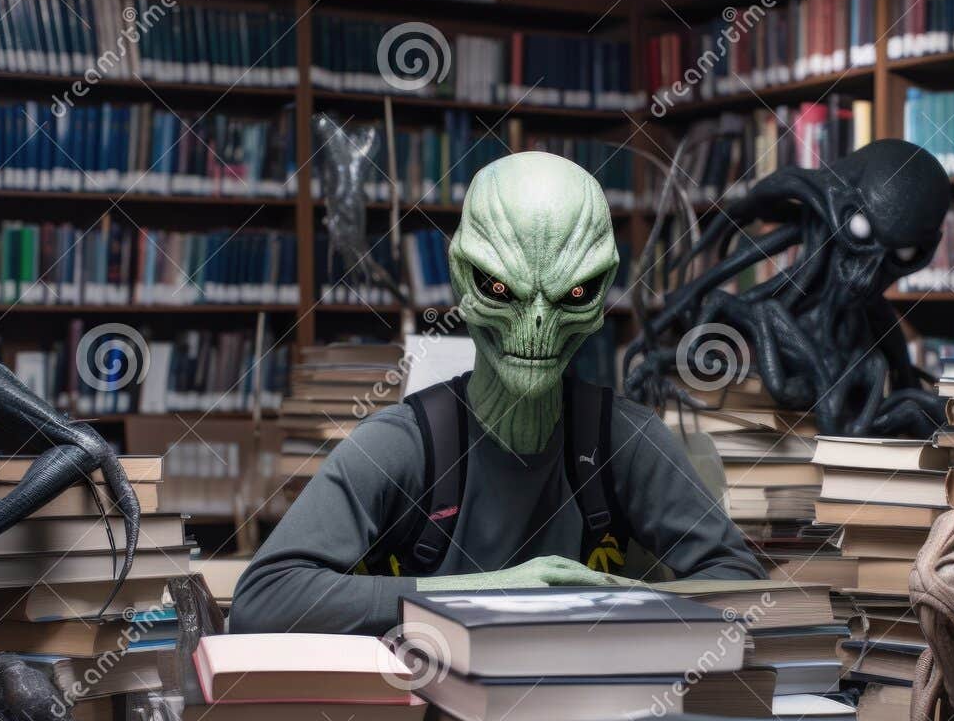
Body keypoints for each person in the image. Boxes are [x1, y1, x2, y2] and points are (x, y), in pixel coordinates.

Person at [231, 152, 763, 637]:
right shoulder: (402, 447)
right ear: (463, 279)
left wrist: (627, 600)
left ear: (602, 297)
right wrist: (490, 592)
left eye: (573, 295)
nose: (537, 328)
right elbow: (263, 599)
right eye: (501, 291)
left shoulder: (622, 439)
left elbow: (745, 587)